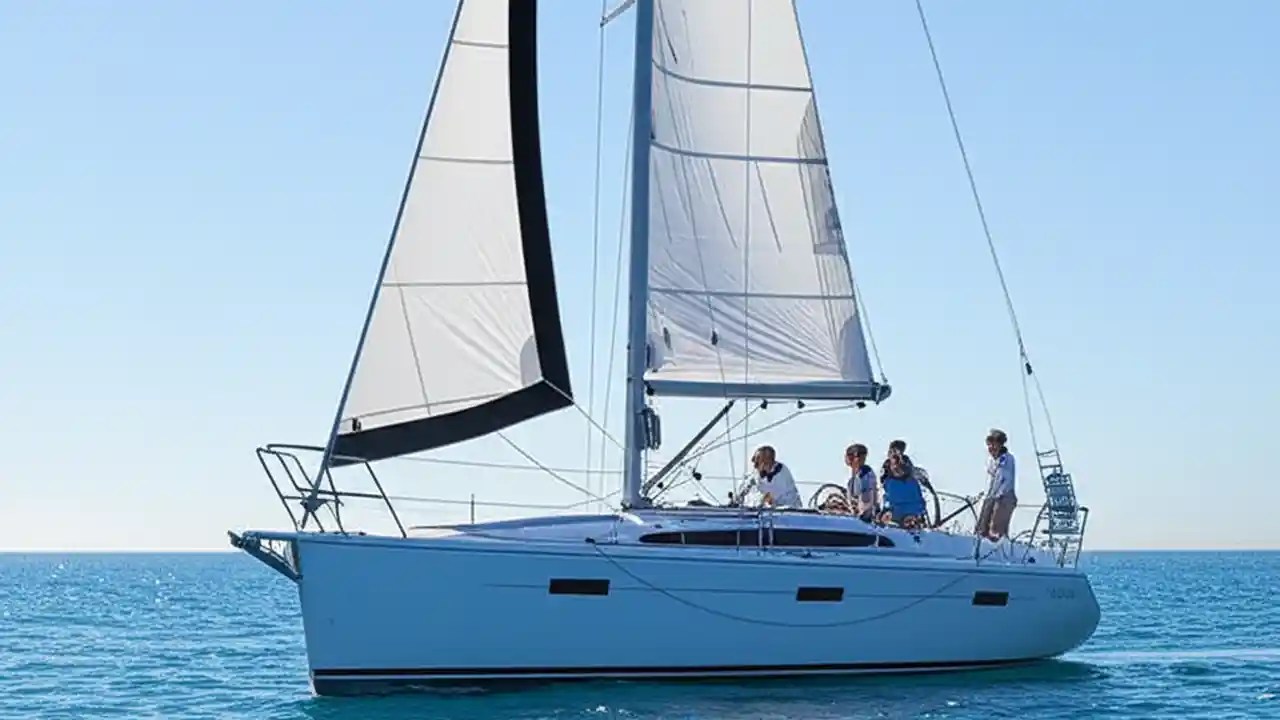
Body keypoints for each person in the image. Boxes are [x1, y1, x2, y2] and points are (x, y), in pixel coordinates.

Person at [975, 428, 1017, 540]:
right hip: (991, 495)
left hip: (1004, 496)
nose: (991, 448)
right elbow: (990, 480)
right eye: (989, 445)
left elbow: (1005, 480)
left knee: (996, 528)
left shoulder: (1007, 459)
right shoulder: (990, 460)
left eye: (994, 445)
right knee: (981, 526)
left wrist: (996, 496)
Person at [735, 445, 801, 508]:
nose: (755, 466)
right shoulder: (755, 474)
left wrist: (761, 499)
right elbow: (745, 489)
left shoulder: (781, 475)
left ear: (768, 462)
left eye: (758, 463)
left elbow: (768, 498)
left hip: (788, 512)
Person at [880, 452, 927, 527]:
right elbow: (887, 501)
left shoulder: (912, 483)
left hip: (911, 517)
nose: (897, 468)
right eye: (894, 465)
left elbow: (919, 502)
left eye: (900, 466)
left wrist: (916, 515)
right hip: (894, 517)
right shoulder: (889, 483)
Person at [845, 443, 878, 522]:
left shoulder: (865, 474)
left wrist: (864, 513)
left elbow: (867, 496)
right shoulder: (853, 478)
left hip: (863, 518)